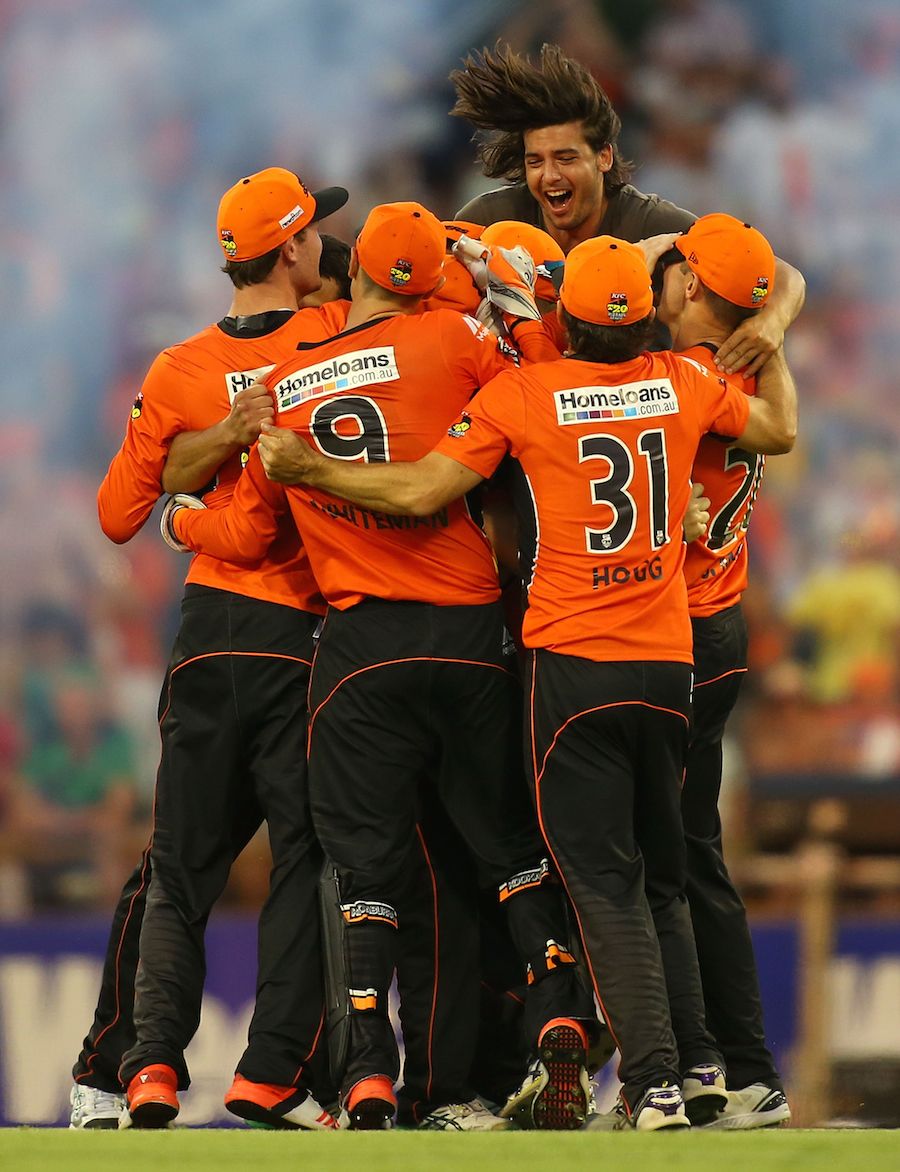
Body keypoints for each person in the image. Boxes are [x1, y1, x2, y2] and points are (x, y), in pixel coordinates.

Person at [244, 234, 796, 1130]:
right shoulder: (685, 380)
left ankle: (651, 1082)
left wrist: (310, 468)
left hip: (570, 667)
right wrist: (771, 340)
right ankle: (701, 1067)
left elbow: (422, 490)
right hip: (669, 665)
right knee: (664, 876)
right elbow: (779, 429)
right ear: (645, 318)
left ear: (565, 316)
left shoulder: (525, 393)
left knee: (601, 883)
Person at [166, 201, 599, 1132]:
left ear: (352, 265)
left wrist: (181, 520)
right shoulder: (456, 339)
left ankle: (366, 1073)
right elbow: (548, 398)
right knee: (508, 848)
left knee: (363, 868)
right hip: (472, 637)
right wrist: (515, 306)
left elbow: (245, 532)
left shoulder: (286, 383)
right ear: (432, 280)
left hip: (359, 649)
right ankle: (560, 1007)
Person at [71, 166, 349, 1131]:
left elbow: (121, 511)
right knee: (308, 858)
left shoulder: (176, 366)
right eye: (313, 231)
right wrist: (240, 428)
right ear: (292, 248)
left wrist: (215, 435)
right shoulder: (337, 339)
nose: (323, 243)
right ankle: (272, 1072)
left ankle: (146, 1067)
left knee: (180, 866)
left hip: (206, 634)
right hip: (302, 631)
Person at [658, 214, 796, 1128]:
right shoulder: (751, 373)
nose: (666, 276)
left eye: (678, 267)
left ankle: (701, 1066)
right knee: (693, 851)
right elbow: (784, 428)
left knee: (657, 860)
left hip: (672, 634)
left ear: (696, 289)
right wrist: (774, 324)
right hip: (721, 632)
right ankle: (744, 1068)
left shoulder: (681, 379)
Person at [449, 41, 805, 377]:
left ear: (603, 157)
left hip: (637, 402)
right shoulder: (490, 220)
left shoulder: (653, 223)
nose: (550, 175)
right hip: (519, 400)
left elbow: (780, 275)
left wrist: (770, 323)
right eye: (535, 162)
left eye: (566, 158)